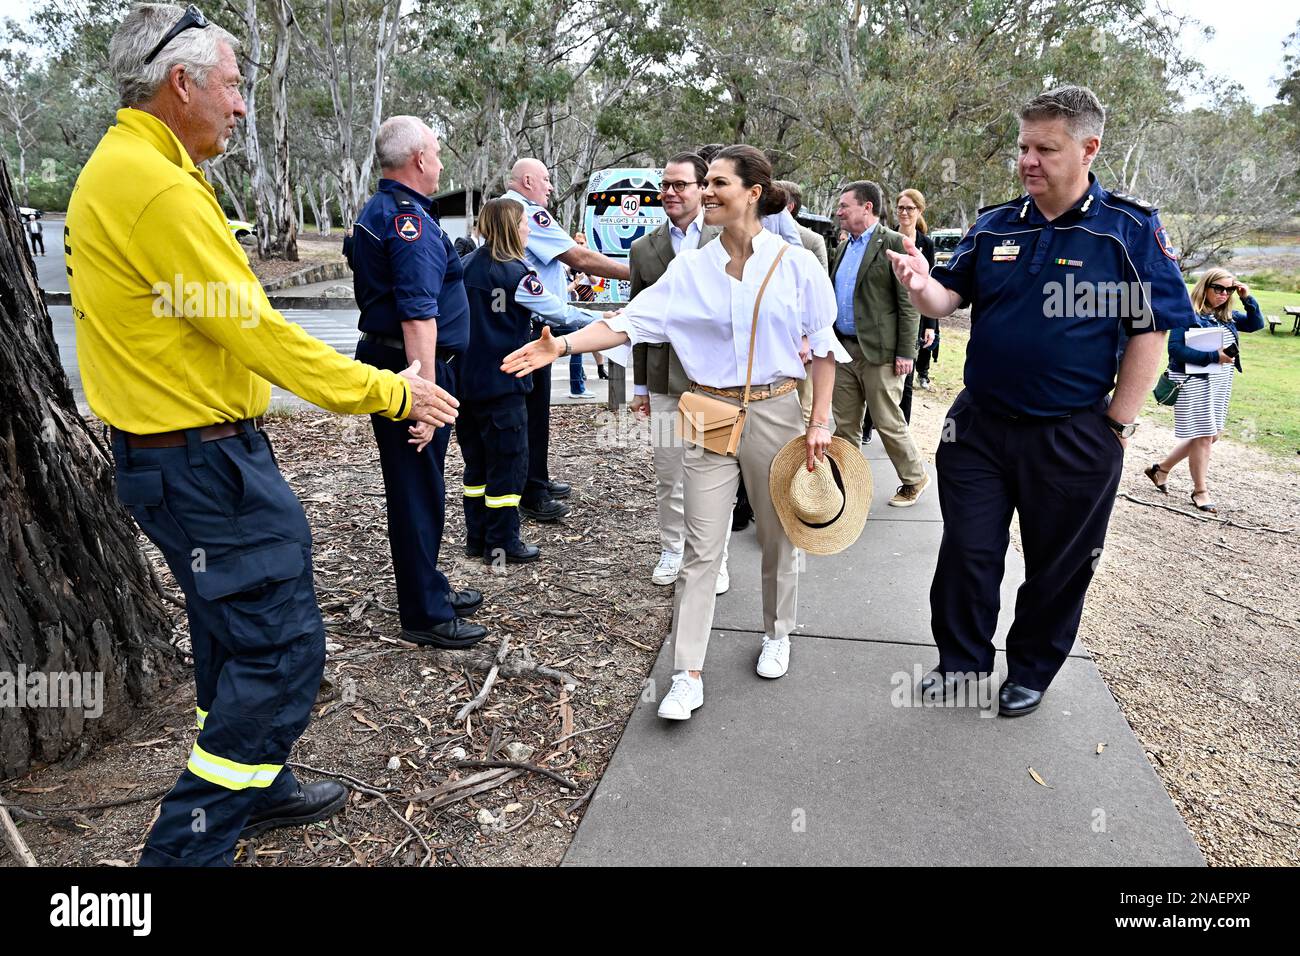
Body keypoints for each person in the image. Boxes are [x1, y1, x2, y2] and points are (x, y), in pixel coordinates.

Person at [70, 3, 456, 866]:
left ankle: (262, 782)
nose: (242, 106)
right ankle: (179, 856)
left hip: (181, 457)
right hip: (205, 465)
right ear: (183, 83)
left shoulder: (139, 165)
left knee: (228, 633)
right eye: (236, 87)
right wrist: (389, 394)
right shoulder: (157, 185)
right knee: (281, 651)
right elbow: (259, 332)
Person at [503, 145, 848, 721]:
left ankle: (777, 631)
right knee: (699, 546)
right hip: (707, 411)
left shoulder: (796, 265)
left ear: (753, 193)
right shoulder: (689, 269)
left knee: (776, 534)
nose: (706, 192)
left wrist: (818, 424)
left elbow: (825, 348)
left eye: (718, 183)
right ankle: (687, 672)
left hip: (777, 409)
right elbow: (627, 322)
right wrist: (560, 345)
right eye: (704, 182)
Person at [887, 85, 1195, 716]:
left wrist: (1118, 424)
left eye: (1045, 149)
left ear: (1089, 148)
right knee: (968, 552)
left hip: (1074, 433)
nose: (1029, 160)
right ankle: (962, 664)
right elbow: (948, 299)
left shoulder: (1127, 231)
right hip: (978, 427)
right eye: (1023, 146)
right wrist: (920, 286)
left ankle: (1030, 669)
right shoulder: (996, 223)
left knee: (1059, 565)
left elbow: (1151, 326)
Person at [349, 115, 487, 650]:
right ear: (419, 160)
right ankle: (424, 614)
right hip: (410, 372)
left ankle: (431, 588)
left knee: (424, 487)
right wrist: (424, 399)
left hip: (407, 370)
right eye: (436, 154)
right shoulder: (407, 221)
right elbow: (416, 318)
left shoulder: (383, 211)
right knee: (414, 492)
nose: (441, 163)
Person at [459, 198, 599, 563]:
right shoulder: (516, 275)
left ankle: (477, 537)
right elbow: (560, 312)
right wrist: (602, 323)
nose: (529, 229)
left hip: (467, 383)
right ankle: (503, 543)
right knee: (508, 465)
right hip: (505, 381)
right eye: (524, 223)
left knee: (476, 467)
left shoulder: (465, 266)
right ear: (511, 227)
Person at [502, 158, 629, 520]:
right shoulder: (525, 212)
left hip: (531, 324)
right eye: (546, 179)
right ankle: (532, 491)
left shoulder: (512, 211)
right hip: (531, 327)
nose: (551, 187)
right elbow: (580, 258)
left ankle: (535, 478)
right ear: (527, 180)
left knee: (535, 412)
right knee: (531, 413)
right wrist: (636, 272)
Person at [628, 150, 730, 592]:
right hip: (664, 378)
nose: (669, 192)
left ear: (701, 188)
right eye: (665, 185)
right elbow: (634, 320)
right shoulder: (643, 249)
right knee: (670, 473)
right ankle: (673, 549)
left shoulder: (727, 240)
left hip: (716, 382)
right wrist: (637, 386)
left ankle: (715, 559)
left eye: (680, 184)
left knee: (713, 476)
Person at [830, 180, 930, 507]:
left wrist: (906, 352)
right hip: (844, 349)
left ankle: (914, 478)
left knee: (887, 420)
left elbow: (909, 302)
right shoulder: (843, 247)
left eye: (845, 205)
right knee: (844, 425)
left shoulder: (894, 243)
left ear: (867, 207)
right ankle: (848, 486)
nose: (839, 211)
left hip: (881, 353)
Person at [1144, 270, 1263, 512]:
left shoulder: (1226, 316)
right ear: (1205, 287)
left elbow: (1255, 324)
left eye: (1229, 290)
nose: (1224, 294)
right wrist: (1213, 356)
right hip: (1194, 380)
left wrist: (1247, 298)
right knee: (1205, 436)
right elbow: (1175, 349)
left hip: (1220, 381)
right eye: (1219, 288)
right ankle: (1200, 491)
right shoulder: (1188, 313)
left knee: (1212, 435)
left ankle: (1161, 470)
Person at [893, 188, 937, 415]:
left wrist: (930, 326)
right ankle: (869, 425)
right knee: (881, 372)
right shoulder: (888, 237)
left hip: (915, 316)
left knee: (906, 376)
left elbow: (930, 286)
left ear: (919, 211)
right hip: (888, 314)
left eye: (910, 208)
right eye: (900, 207)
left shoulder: (926, 245)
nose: (904, 212)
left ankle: (903, 423)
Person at [565, 231, 607, 384]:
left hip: (589, 303)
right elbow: (564, 286)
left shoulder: (590, 261)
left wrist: (588, 273)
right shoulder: (567, 263)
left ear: (587, 244)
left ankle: (600, 367)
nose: (578, 245)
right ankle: (579, 371)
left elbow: (596, 282)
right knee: (575, 339)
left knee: (594, 337)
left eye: (581, 243)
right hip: (572, 305)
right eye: (576, 242)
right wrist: (572, 274)